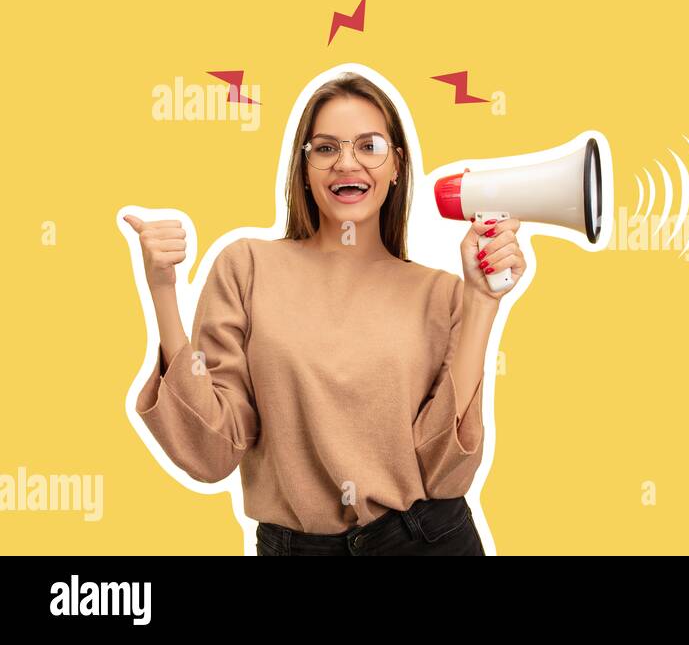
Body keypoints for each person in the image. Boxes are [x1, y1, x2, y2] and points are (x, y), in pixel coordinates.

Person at [123, 72, 524, 555]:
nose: (347, 162)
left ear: (396, 164)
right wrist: (162, 289)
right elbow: (210, 452)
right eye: (326, 148)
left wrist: (483, 301)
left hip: (427, 540)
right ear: (305, 165)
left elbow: (446, 471)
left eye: (369, 145)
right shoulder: (247, 267)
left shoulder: (443, 296)